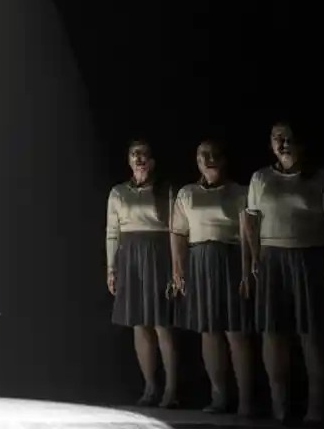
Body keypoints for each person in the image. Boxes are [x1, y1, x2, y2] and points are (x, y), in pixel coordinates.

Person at [240, 121, 324, 424]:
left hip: (310, 256)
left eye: (289, 138)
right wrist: (254, 258)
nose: (283, 143)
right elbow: (251, 222)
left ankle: (317, 406)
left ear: (301, 143)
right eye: (277, 138)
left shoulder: (320, 178)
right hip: (272, 258)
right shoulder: (261, 178)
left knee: (311, 333)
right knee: (273, 331)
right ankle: (279, 403)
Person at [170, 140, 253, 416]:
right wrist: (178, 269)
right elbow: (178, 233)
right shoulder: (187, 194)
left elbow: (247, 236)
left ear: (225, 159)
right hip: (199, 262)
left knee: (236, 330)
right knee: (209, 330)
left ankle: (247, 399)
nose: (210, 159)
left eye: (216, 154)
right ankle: (219, 396)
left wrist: (247, 271)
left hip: (230, 260)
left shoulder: (239, 192)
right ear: (196, 161)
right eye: (203, 155)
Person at [106, 140, 178, 409]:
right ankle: (150, 386)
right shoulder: (118, 193)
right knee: (139, 322)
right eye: (134, 154)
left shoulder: (166, 190)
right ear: (128, 160)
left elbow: (175, 230)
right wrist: (112, 268)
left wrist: (176, 268)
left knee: (162, 323)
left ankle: (171, 389)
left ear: (152, 161)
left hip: (159, 256)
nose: (139, 158)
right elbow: (112, 232)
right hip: (130, 258)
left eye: (144, 154)